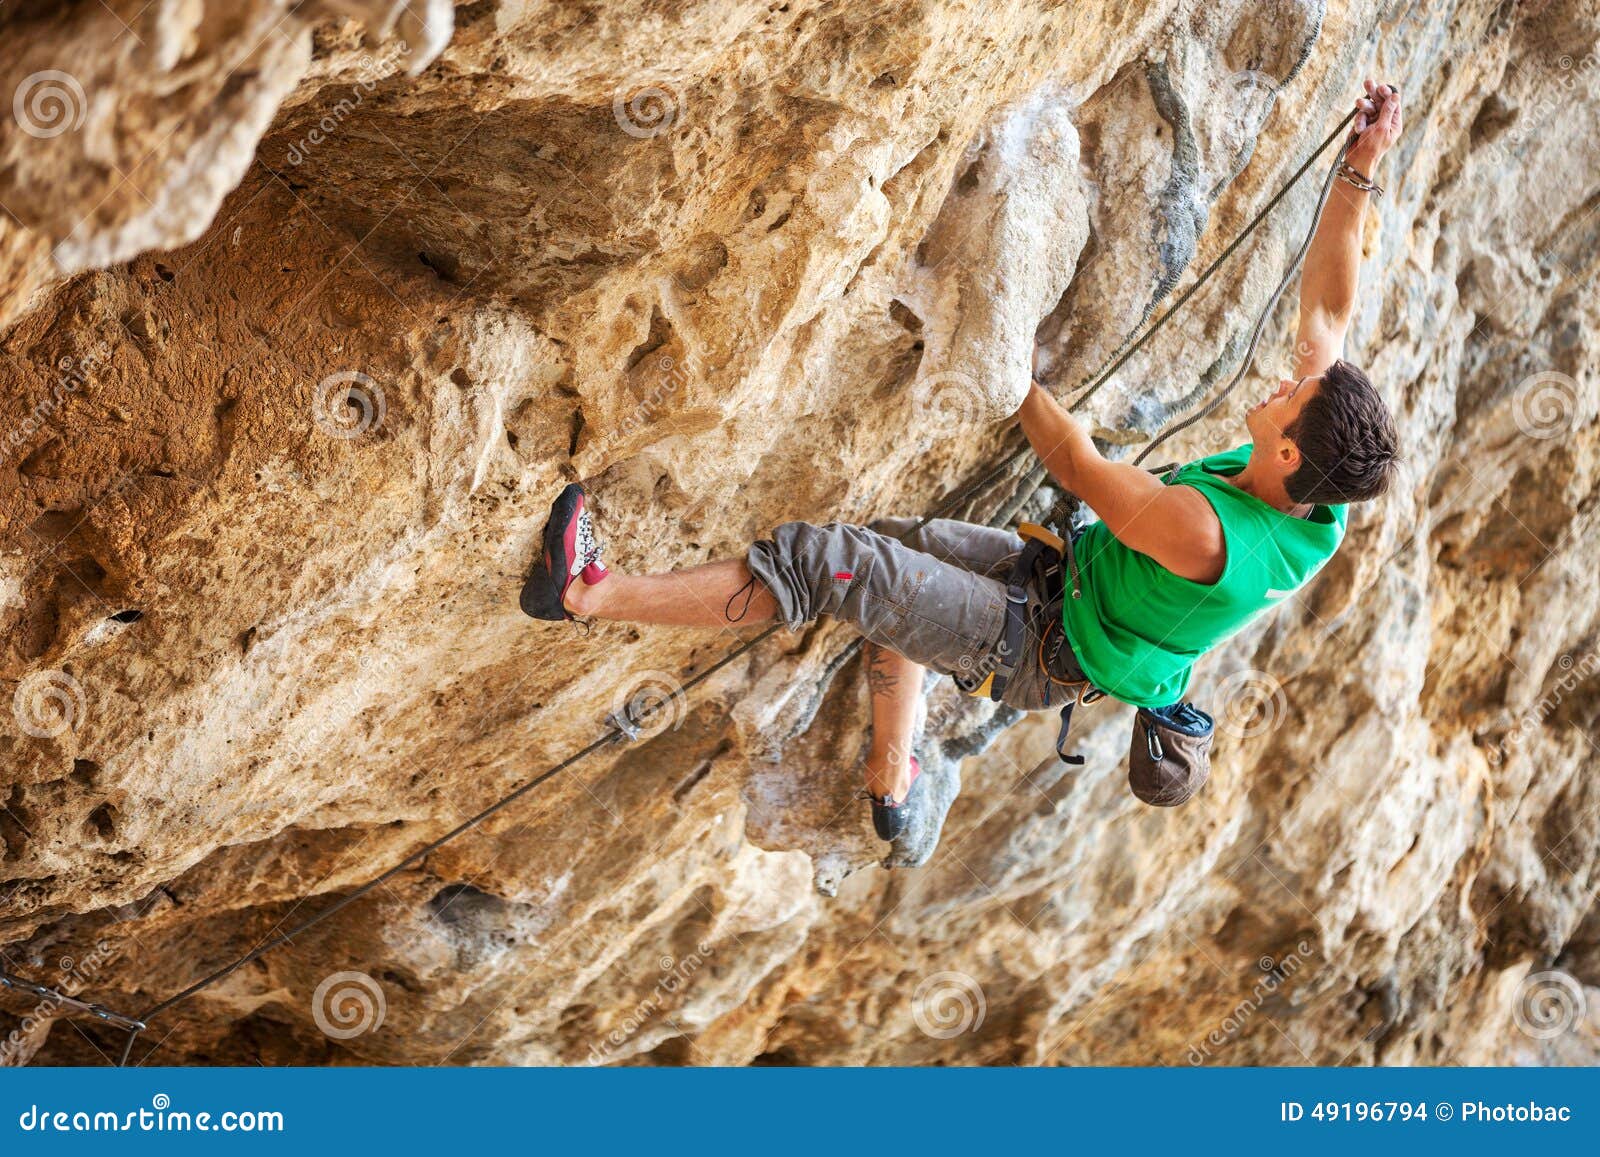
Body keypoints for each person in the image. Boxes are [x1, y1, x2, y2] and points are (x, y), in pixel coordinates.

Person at [520, 81, 1403, 845]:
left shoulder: (1203, 533)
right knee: (887, 555)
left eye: (1290, 398)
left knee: (831, 563)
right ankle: (890, 774)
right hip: (1060, 587)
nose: (1285, 381)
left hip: (1032, 645)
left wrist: (1005, 359)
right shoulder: (1316, 491)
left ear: (1287, 449)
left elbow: (1080, 465)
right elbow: (1326, 315)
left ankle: (584, 593)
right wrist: (1361, 163)